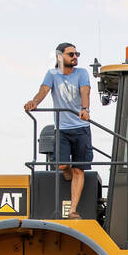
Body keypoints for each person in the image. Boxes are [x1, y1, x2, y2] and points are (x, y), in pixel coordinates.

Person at [23, 42, 92, 219]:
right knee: (62, 165)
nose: (75, 57)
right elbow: (43, 90)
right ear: (60, 57)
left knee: (79, 170)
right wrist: (34, 103)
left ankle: (72, 211)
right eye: (71, 54)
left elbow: (85, 91)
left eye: (77, 54)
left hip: (81, 128)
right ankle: (66, 172)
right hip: (62, 129)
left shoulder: (82, 73)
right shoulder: (52, 74)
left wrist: (85, 109)